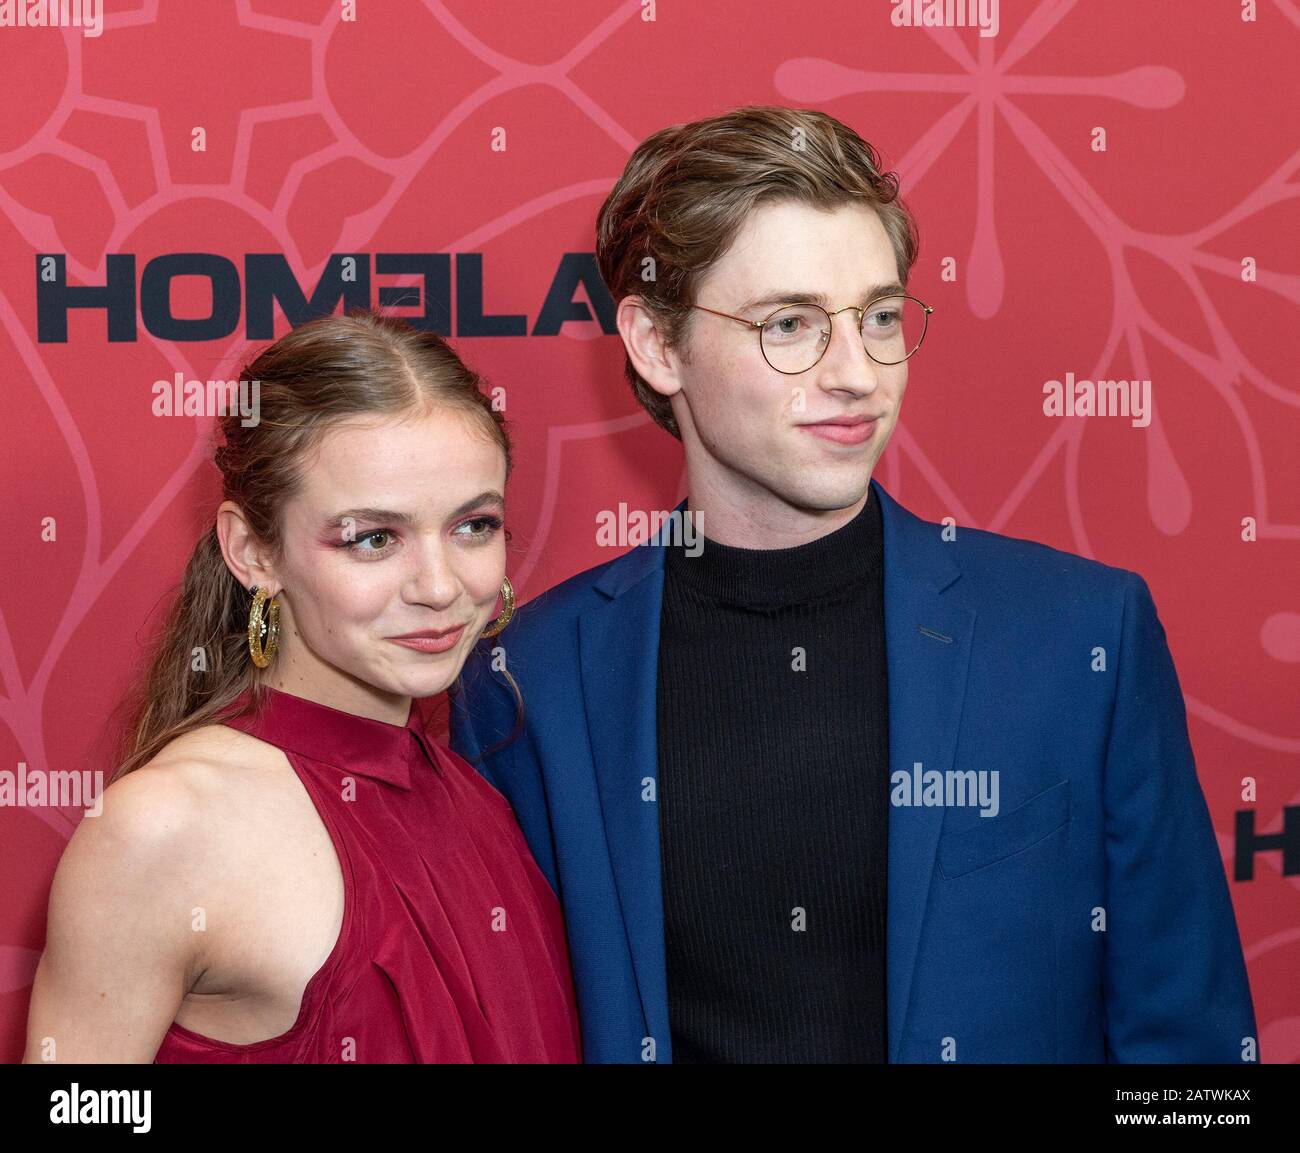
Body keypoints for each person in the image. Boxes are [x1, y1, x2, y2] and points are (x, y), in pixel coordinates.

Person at [449, 105, 1257, 1063]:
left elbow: (1195, 1060)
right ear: (657, 345)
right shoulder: (526, 679)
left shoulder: (1082, 637)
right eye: (789, 323)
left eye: (879, 317)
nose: (858, 374)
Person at [23, 311, 582, 1064]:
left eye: (472, 525)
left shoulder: (477, 796)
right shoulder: (160, 827)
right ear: (252, 550)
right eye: (373, 538)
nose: (441, 585)